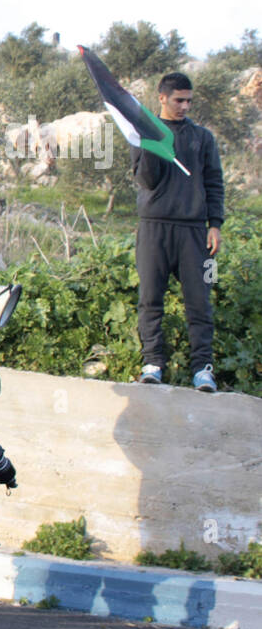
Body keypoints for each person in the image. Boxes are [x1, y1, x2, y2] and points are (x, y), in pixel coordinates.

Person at [133, 72, 225, 392]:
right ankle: (153, 363)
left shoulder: (203, 137)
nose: (185, 106)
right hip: (154, 227)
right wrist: (150, 145)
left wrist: (215, 224)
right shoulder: (145, 134)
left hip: (193, 231)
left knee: (199, 302)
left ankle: (202, 368)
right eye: (178, 100)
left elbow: (214, 182)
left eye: (189, 100)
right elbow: (147, 181)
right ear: (162, 98)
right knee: (150, 299)